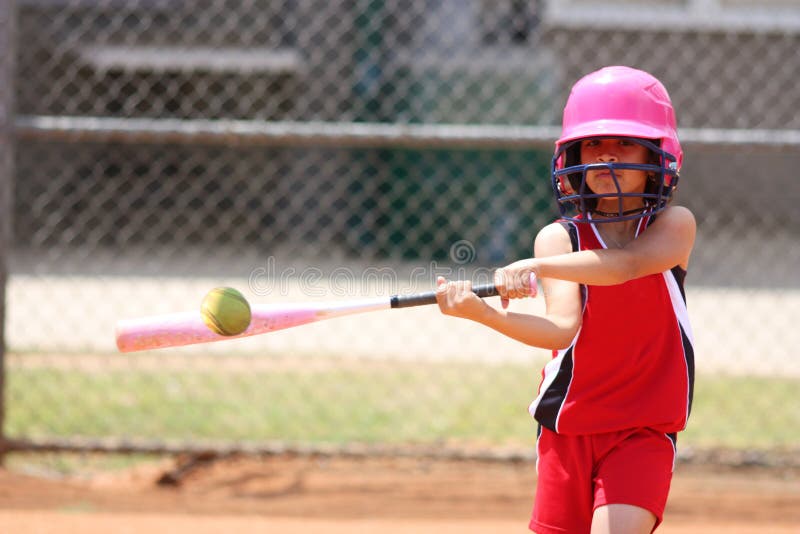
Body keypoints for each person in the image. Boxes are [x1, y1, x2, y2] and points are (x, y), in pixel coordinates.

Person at [435, 66, 696, 534]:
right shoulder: (557, 239)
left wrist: (536, 268)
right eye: (594, 144)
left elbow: (623, 266)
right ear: (572, 154)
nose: (607, 157)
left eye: (624, 142)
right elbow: (560, 330)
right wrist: (480, 312)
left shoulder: (673, 227)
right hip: (568, 427)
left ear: (658, 155)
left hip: (643, 429)